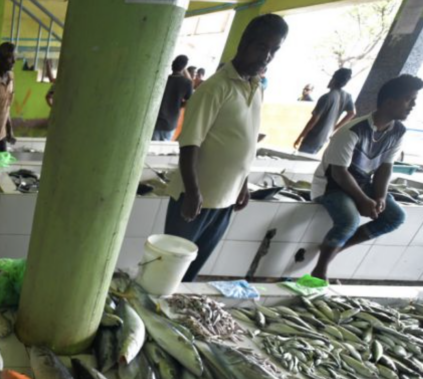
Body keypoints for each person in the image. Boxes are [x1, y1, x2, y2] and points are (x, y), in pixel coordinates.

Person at [162, 13, 289, 282]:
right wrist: (193, 192)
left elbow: (244, 142)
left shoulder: (255, 88)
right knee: (171, 267)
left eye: (274, 51)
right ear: (243, 43)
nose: (267, 56)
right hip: (194, 200)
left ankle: (174, 316)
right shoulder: (215, 88)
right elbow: (189, 144)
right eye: (261, 47)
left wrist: (242, 185)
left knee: (193, 270)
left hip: (225, 200)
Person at [308, 75, 422, 280]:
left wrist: (379, 197)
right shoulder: (352, 131)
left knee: (395, 217)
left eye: (414, 100)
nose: (413, 105)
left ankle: (336, 249)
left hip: (361, 184)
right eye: (409, 99)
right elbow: (339, 173)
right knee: (349, 221)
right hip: (330, 187)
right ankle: (320, 270)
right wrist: (363, 200)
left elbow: (385, 168)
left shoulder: (398, 131)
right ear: (389, 102)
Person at [293, 68, 356, 155]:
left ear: (333, 79)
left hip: (312, 138)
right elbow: (352, 113)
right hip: (324, 138)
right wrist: (335, 128)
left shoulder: (326, 97)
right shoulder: (347, 96)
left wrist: (300, 137)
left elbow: (313, 120)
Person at [153, 55, 194, 141]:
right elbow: (190, 100)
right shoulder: (187, 83)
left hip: (156, 121)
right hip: (170, 123)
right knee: (163, 152)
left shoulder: (164, 79)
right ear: (183, 68)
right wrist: (180, 105)